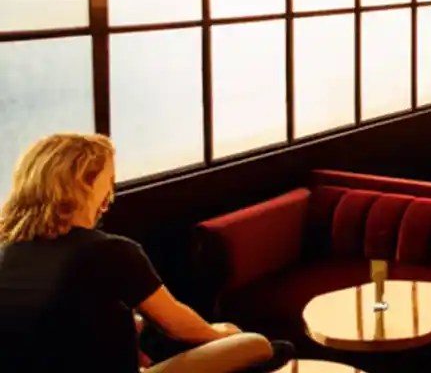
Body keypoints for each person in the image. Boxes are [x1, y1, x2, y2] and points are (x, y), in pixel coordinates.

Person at [0, 133, 294, 373]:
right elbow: (179, 325)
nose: (111, 192)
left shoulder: (6, 252)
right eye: (109, 179)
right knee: (257, 345)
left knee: (142, 326)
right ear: (84, 184)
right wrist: (221, 333)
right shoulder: (109, 251)